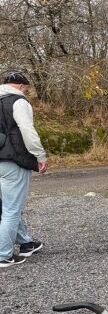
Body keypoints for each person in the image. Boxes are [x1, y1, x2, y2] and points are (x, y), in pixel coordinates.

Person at [0, 71, 47, 267]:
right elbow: (27, 130)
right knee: (12, 209)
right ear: (20, 86)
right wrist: (40, 156)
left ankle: (26, 243)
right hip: (13, 160)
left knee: (7, 206)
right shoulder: (18, 102)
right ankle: (3, 255)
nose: (26, 92)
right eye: (26, 89)